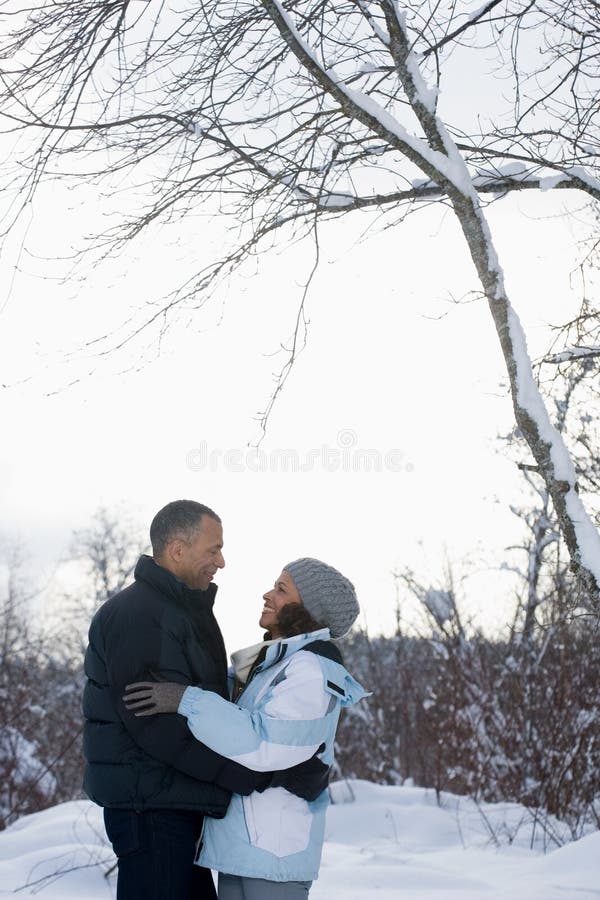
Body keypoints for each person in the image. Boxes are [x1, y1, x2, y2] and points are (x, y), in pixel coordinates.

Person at [82, 501, 328, 900]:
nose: (222, 562)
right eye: (214, 550)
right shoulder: (141, 615)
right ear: (178, 550)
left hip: (174, 805)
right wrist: (260, 777)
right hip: (151, 810)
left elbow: (211, 704)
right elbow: (160, 729)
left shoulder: (181, 611)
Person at [124, 557, 369, 900]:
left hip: (274, 853)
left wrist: (186, 700)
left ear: (308, 609)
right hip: (242, 849)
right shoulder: (271, 665)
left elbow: (265, 745)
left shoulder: (310, 669)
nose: (268, 594)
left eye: (281, 589)